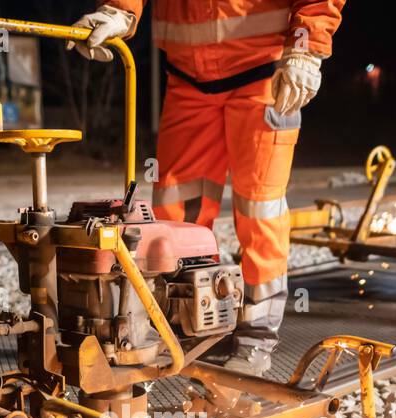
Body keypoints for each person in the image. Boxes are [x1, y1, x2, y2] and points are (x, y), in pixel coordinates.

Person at [67, 1, 346, 375]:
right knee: (176, 215)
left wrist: (306, 44)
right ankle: (185, 324)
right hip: (188, 79)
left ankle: (255, 338)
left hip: (265, 74)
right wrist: (121, 9)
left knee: (259, 211)